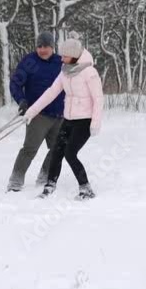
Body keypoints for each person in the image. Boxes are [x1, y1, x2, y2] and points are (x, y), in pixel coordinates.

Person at [24, 32, 104, 200]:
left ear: (74, 56)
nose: (61, 59)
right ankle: (50, 184)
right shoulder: (65, 71)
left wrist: (95, 123)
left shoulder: (89, 72)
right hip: (69, 118)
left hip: (85, 120)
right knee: (56, 150)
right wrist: (32, 110)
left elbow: (98, 99)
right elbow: (51, 92)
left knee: (70, 153)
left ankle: (86, 188)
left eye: (65, 56)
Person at [6, 32, 65, 192]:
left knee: (58, 148)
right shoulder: (29, 61)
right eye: (39, 46)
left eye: (45, 46)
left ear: (52, 47)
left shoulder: (61, 62)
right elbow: (15, 83)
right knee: (30, 149)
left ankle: (45, 175)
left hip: (59, 114)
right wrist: (22, 100)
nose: (42, 50)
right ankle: (15, 181)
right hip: (38, 115)